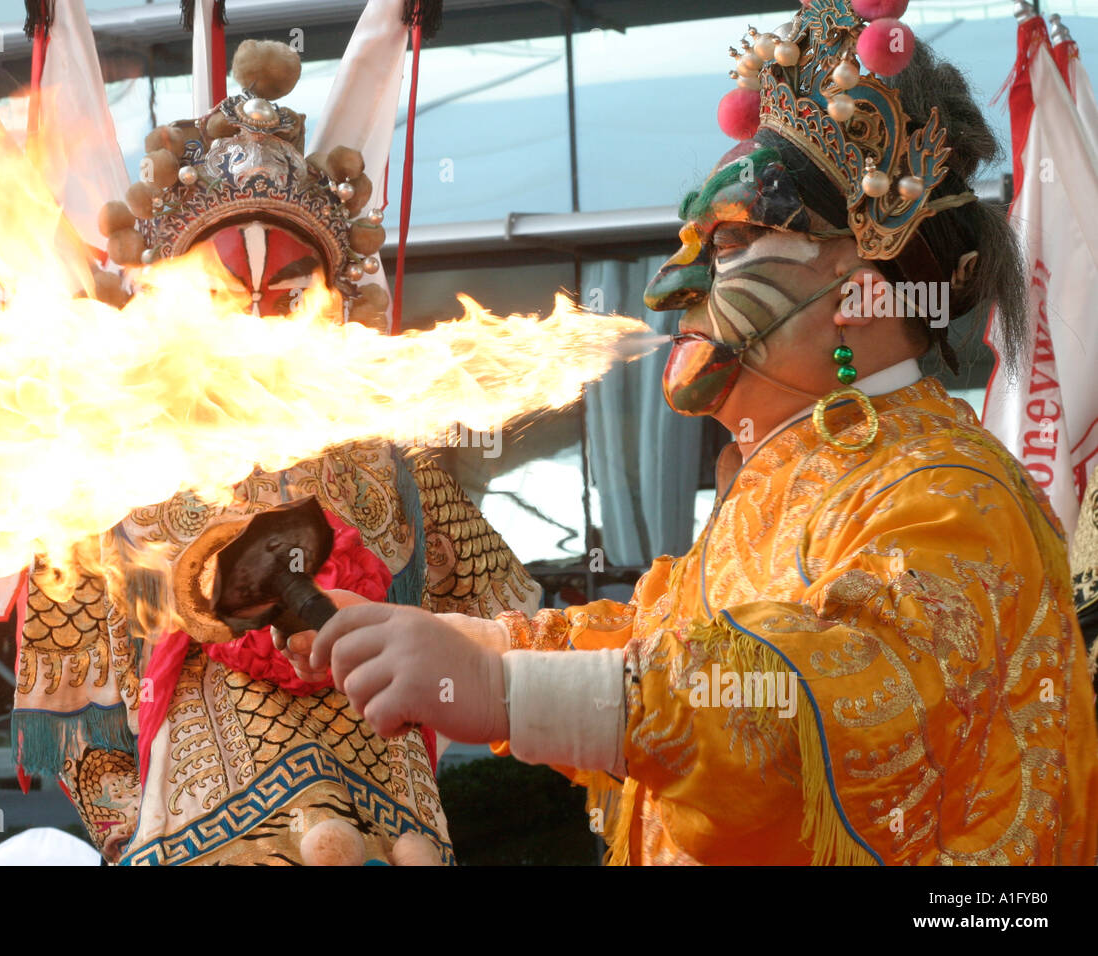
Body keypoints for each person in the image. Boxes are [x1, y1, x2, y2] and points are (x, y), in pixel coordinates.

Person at [290, 0, 1098, 865]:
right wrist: (456, 648)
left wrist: (500, 688)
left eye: (733, 240)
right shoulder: (794, 472)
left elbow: (825, 699)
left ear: (864, 292)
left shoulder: (946, 493)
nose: (672, 286)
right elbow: (642, 645)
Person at [12, 39, 538, 866]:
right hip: (203, 823)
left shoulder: (388, 456)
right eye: (227, 295)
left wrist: (428, 653)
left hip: (390, 814)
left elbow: (514, 626)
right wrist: (129, 831)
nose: (259, 319)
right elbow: (71, 676)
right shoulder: (119, 460)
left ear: (331, 301)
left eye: (287, 293)